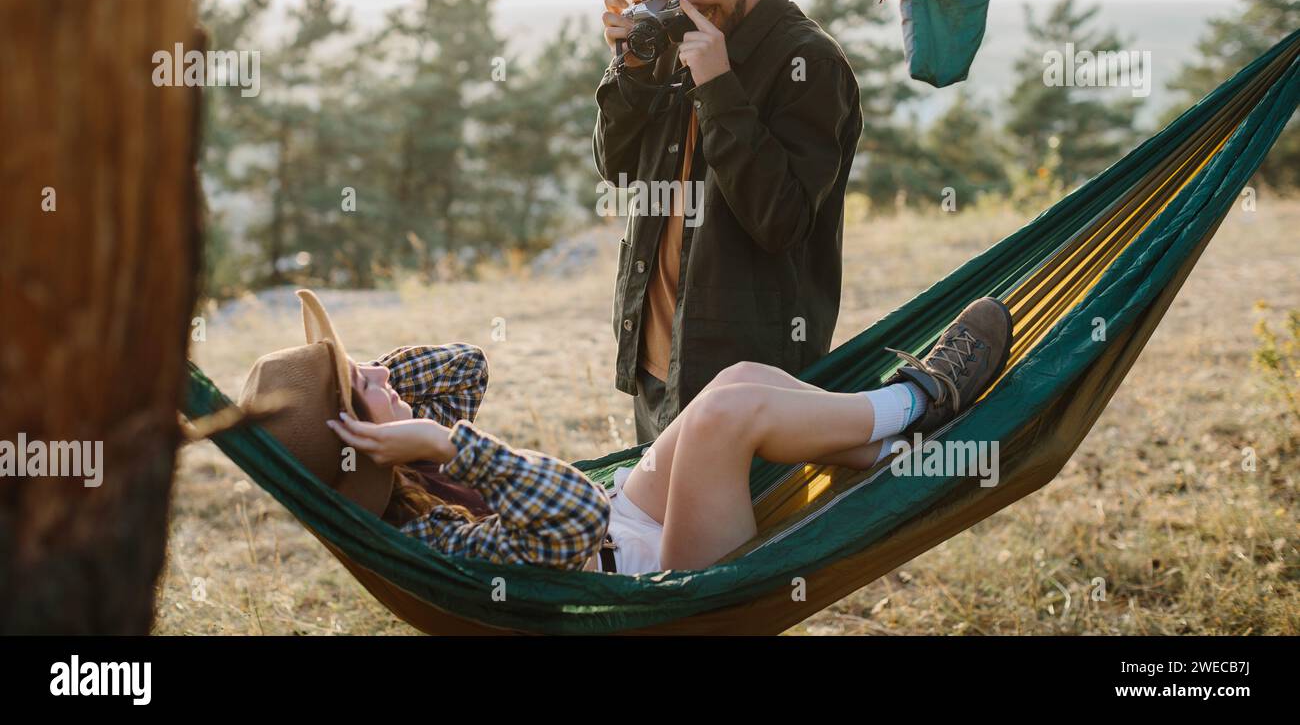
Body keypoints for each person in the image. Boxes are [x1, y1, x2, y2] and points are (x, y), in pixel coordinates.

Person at [248, 292, 1011, 575]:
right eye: (363, 385)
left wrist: (380, 394)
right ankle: (921, 400)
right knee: (724, 417)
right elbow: (572, 519)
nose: (383, 377)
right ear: (360, 450)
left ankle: (889, 451)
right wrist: (449, 446)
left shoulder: (411, 467)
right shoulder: (430, 543)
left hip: (626, 517)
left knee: (739, 378)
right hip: (644, 574)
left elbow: (464, 369)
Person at [593, 0, 865, 443]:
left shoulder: (809, 60)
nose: (681, 11)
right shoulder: (670, 41)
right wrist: (632, 71)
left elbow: (781, 221)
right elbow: (616, 169)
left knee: (743, 531)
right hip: (658, 361)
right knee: (661, 527)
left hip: (747, 372)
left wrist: (719, 88)